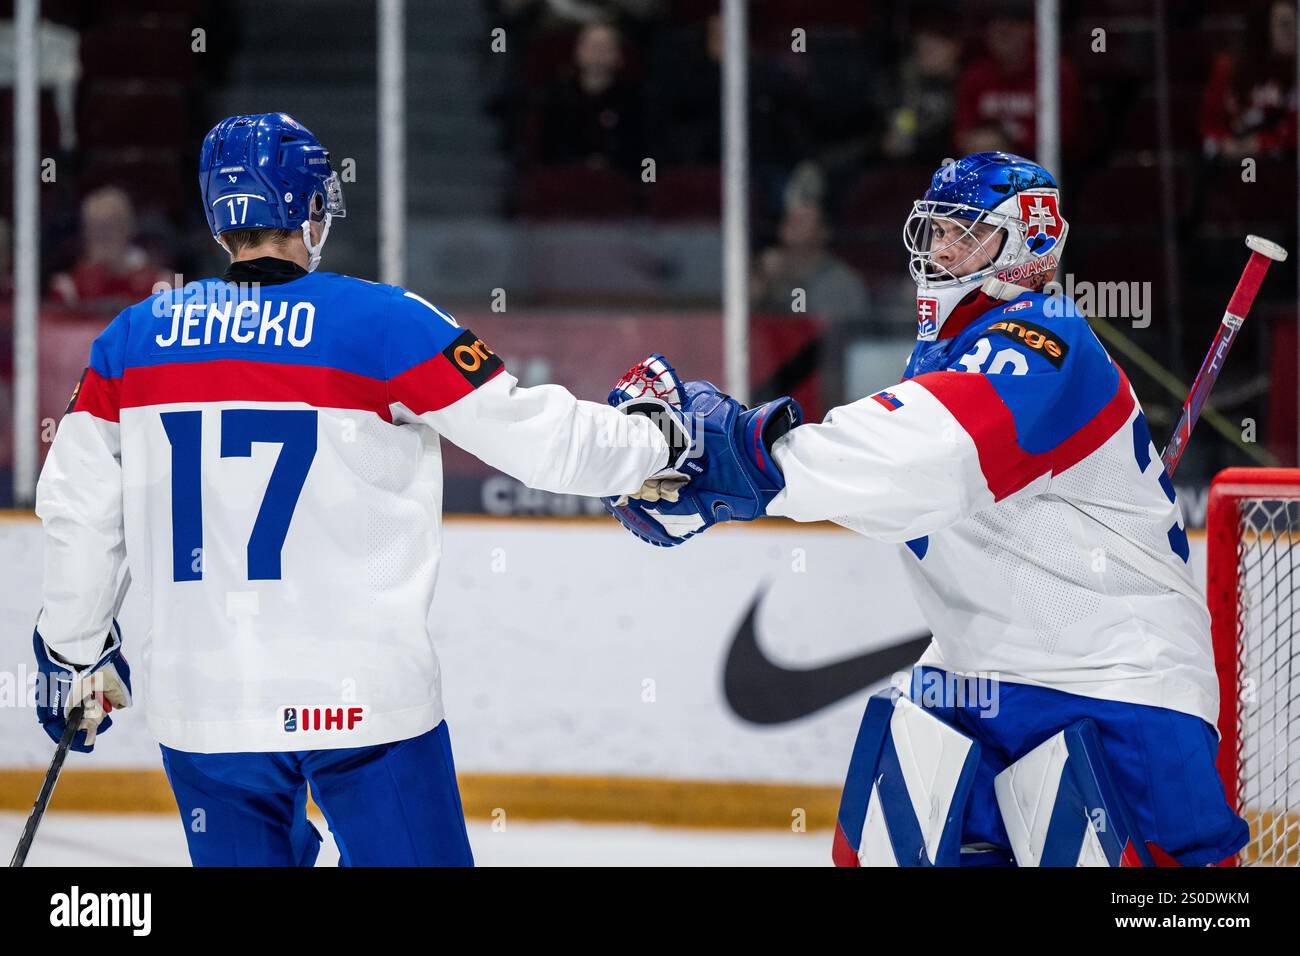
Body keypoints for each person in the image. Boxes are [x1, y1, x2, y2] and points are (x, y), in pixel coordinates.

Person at [31, 112, 685, 867]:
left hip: (206, 710)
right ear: (312, 209)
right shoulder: (382, 324)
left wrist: (72, 652)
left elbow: (80, 512)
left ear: (219, 218)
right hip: (363, 705)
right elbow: (545, 444)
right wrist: (660, 440)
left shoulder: (132, 341)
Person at [605, 152, 1248, 867]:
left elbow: (927, 460)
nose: (941, 249)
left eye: (966, 234)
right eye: (936, 229)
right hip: (977, 672)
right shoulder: (944, 352)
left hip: (1111, 684)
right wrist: (744, 487)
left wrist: (751, 458)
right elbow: (901, 502)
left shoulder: (1046, 337)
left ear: (1028, 244)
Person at [49, 186, 168, 309]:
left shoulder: (162, 287)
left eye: (109, 228)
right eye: (95, 228)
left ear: (128, 229)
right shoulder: (68, 290)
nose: (102, 236)